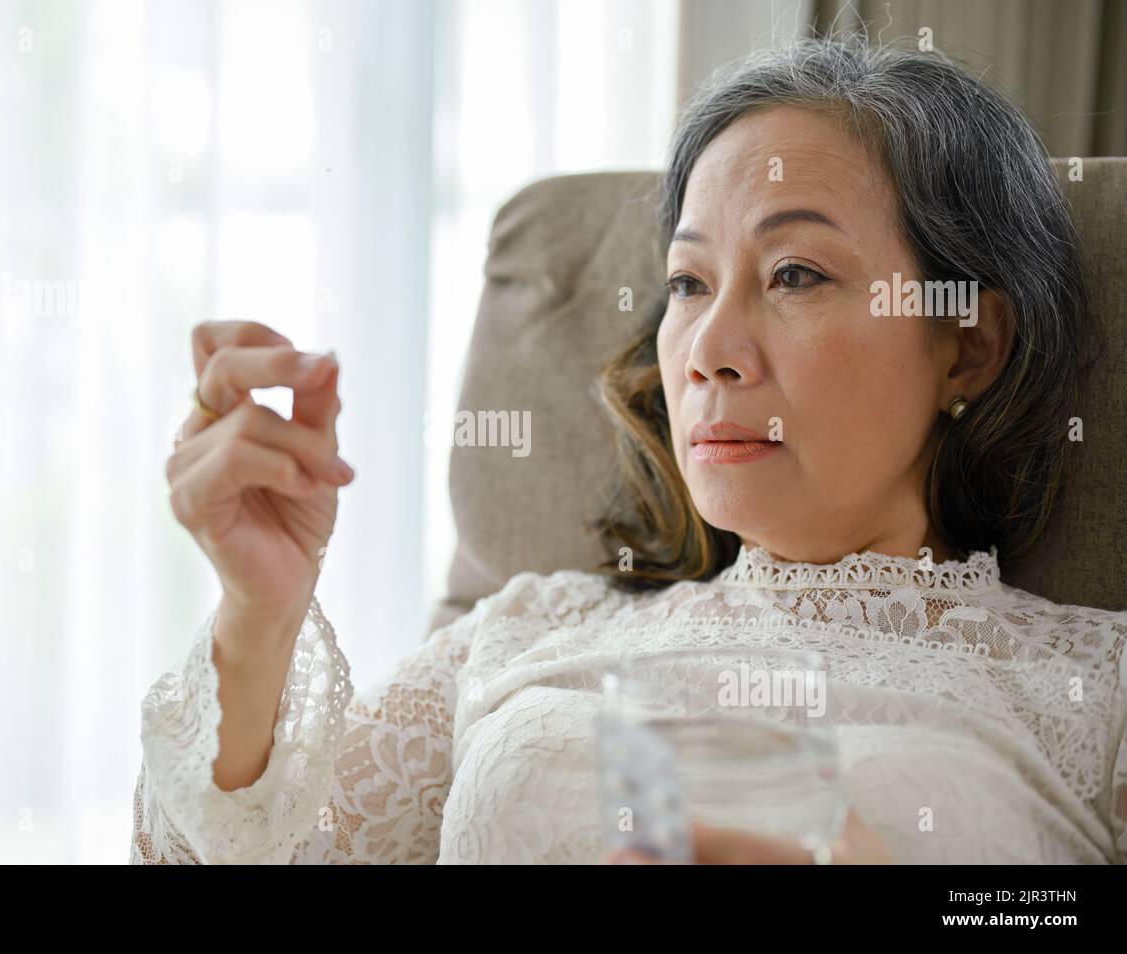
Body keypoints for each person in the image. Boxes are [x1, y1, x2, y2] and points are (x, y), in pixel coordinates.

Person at [130, 35, 1126, 864]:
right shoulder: (522, 630)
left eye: (794, 273)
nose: (709, 353)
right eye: (689, 283)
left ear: (967, 345)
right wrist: (260, 615)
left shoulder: (1096, 693)